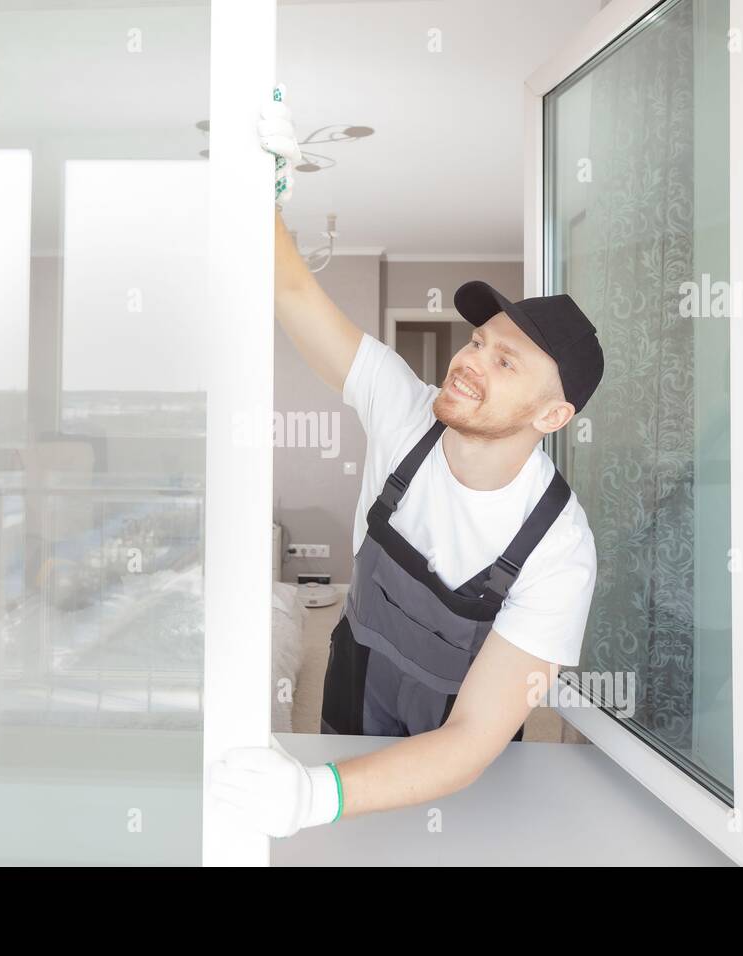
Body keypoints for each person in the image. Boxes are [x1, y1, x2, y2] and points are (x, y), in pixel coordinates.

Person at [208, 88, 603, 839]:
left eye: (506, 361)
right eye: (479, 341)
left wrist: (307, 799)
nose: (471, 361)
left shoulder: (560, 550)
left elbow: (467, 744)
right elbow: (292, 290)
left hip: (451, 745)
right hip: (353, 678)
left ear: (553, 417)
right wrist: (259, 189)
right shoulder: (404, 407)